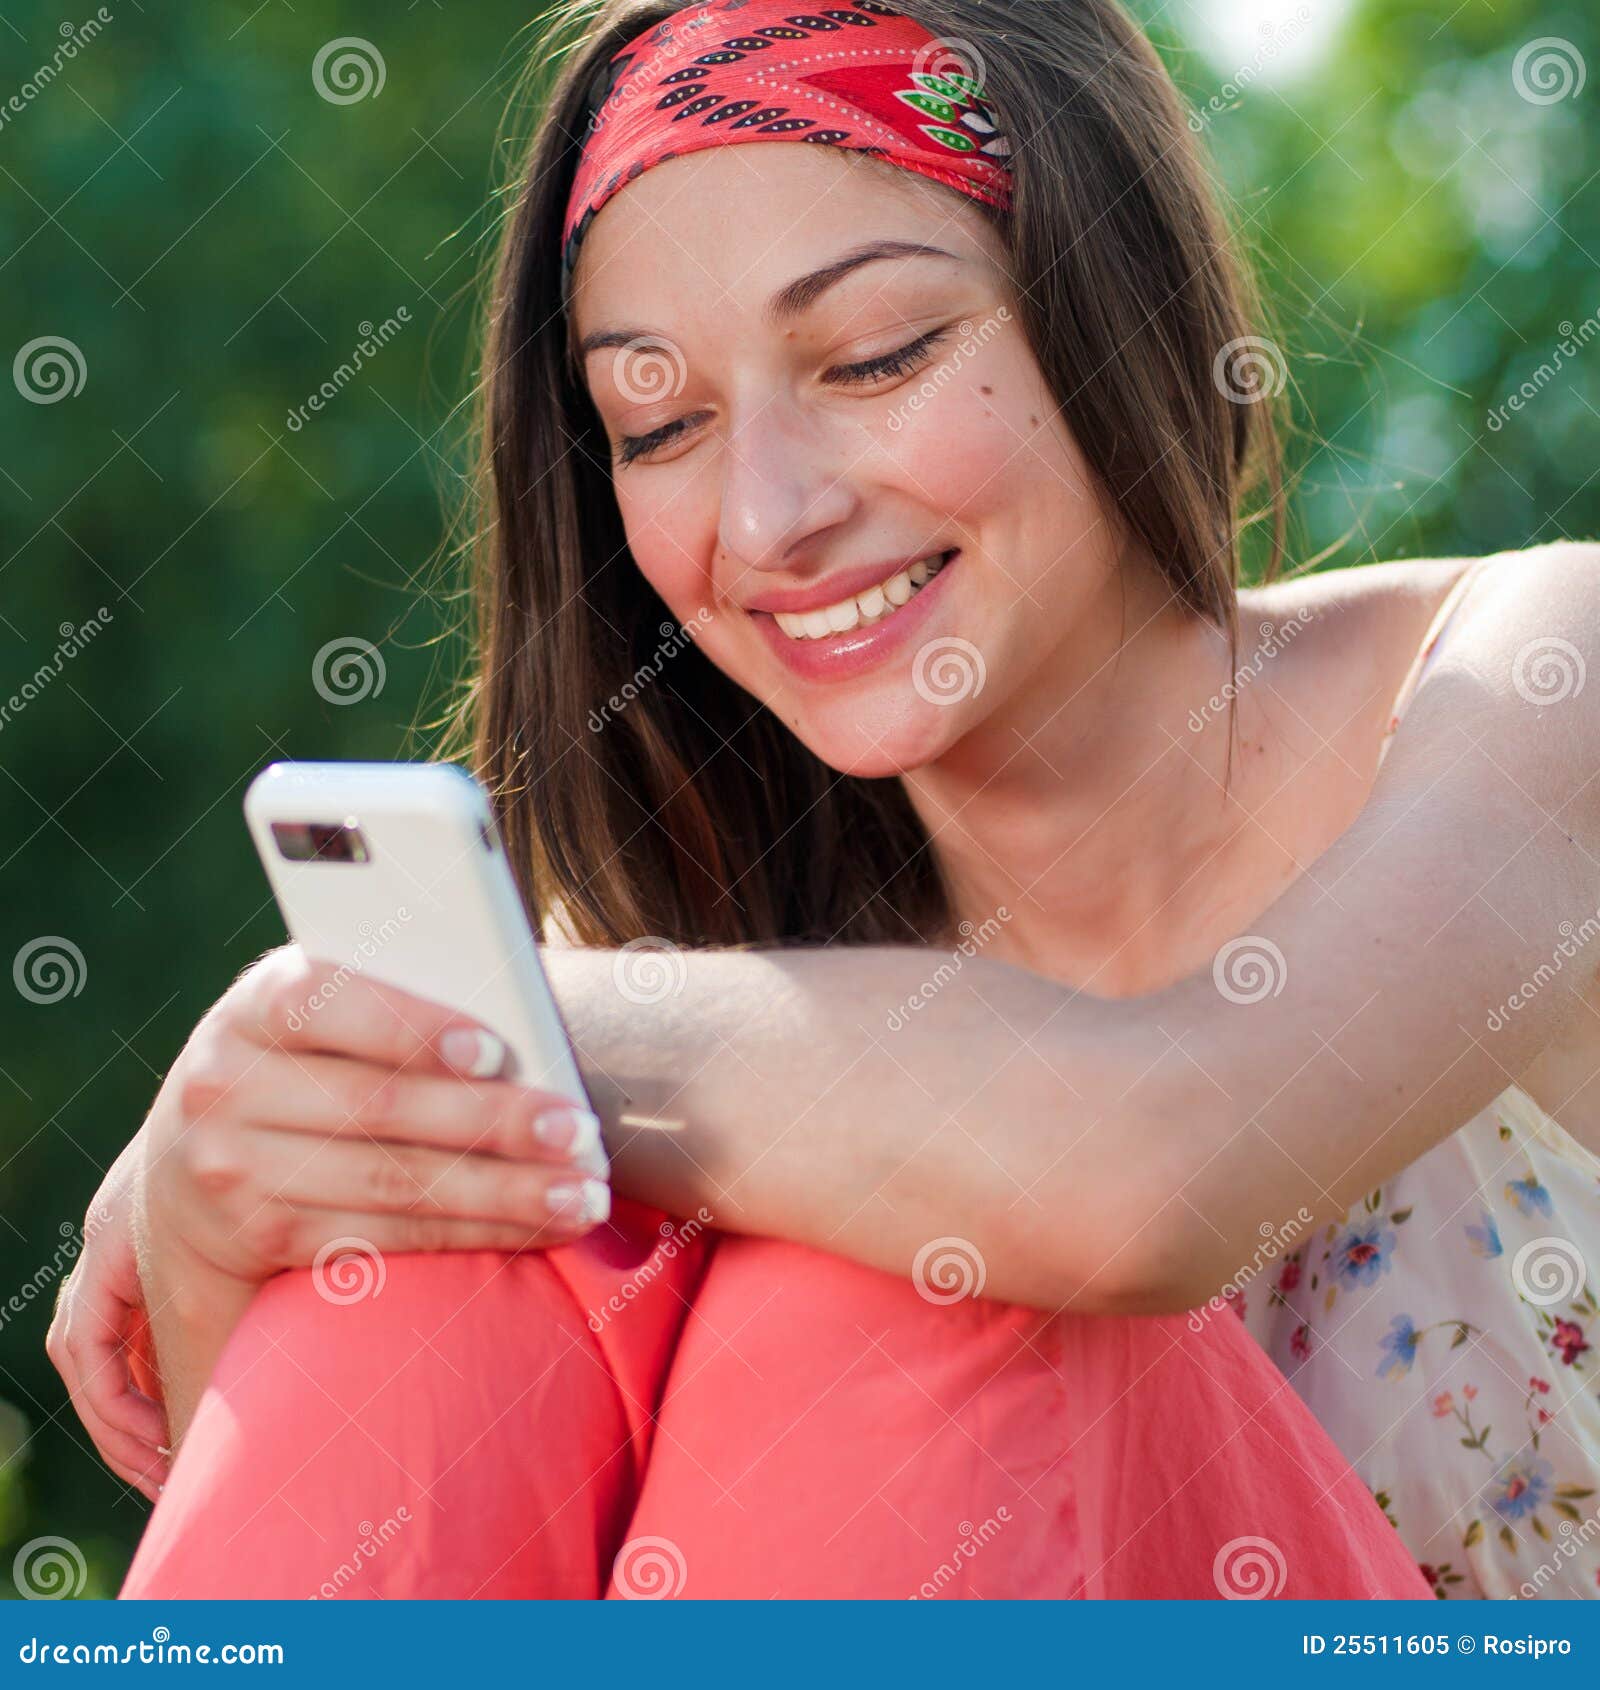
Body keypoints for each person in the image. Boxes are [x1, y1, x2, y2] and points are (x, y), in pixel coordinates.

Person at [50, 0, 1599, 1599]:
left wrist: (437, 1018)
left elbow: (1145, 1171)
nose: (770, 516)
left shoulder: (1533, 676)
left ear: (1111, 298)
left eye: (877, 356)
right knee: (463, 1269)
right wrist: (214, 1189)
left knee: (905, 1258)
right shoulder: (688, 942)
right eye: (660, 424)